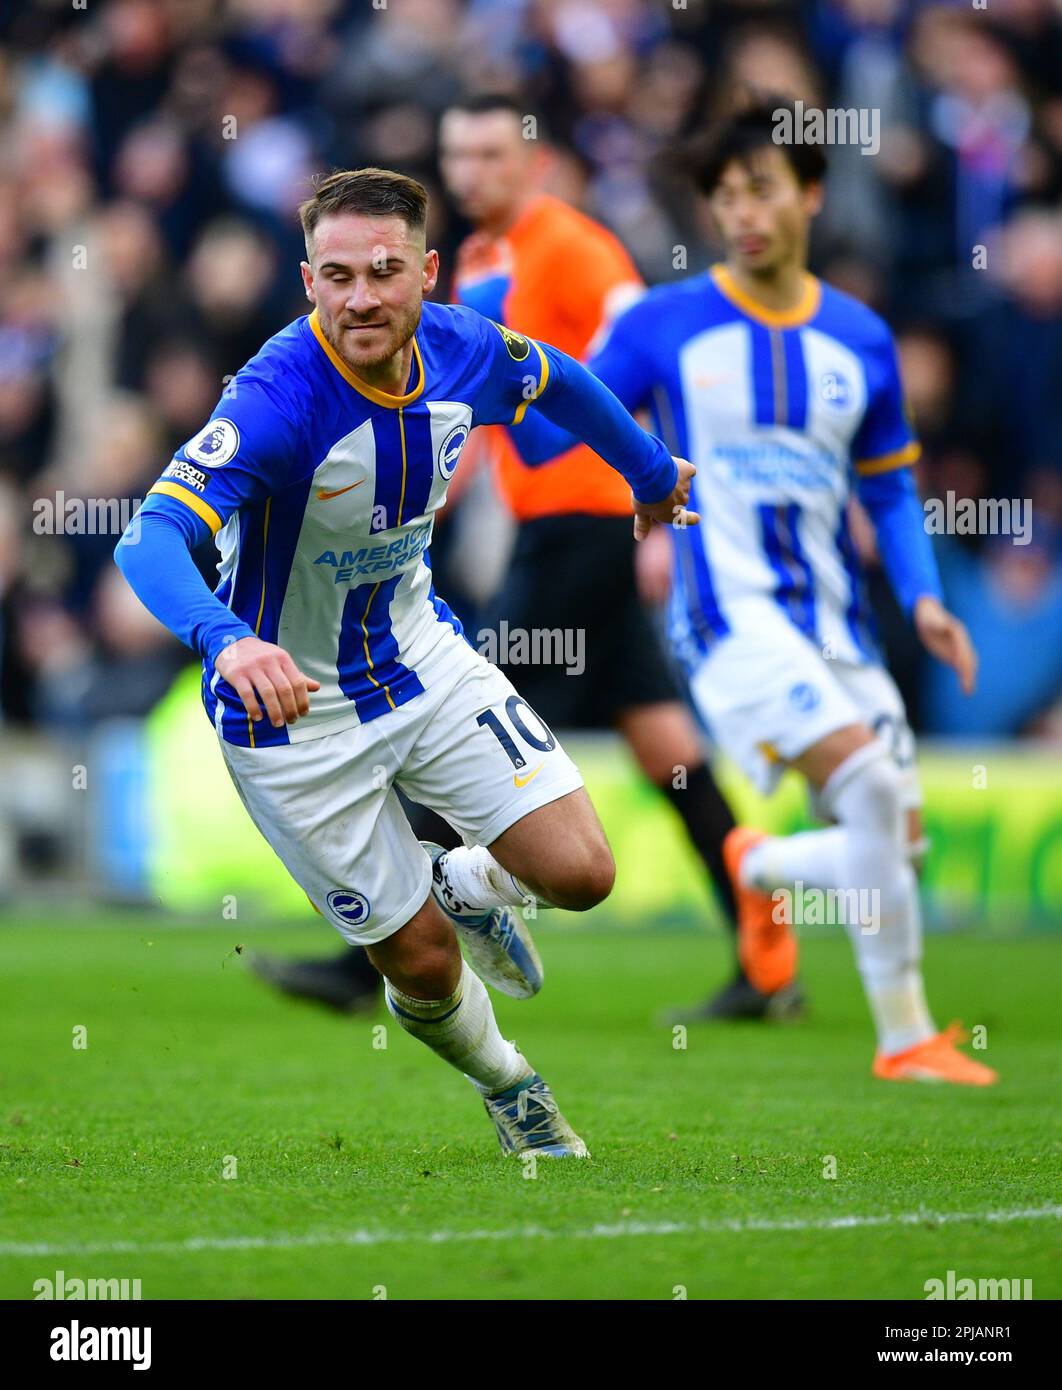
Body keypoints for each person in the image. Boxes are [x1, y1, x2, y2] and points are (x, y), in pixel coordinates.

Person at [114, 166, 698, 1158]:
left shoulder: (460, 346)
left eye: (385, 271)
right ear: (308, 281)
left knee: (582, 872)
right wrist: (228, 637)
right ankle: (510, 1084)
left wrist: (647, 472)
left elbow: (554, 377)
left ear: (427, 272)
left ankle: (468, 881)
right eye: (337, 275)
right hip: (291, 717)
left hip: (418, 658)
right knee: (423, 966)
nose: (361, 297)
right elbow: (147, 540)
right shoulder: (276, 399)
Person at [507, 99, 997, 1084]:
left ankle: (760, 865)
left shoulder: (859, 338)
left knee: (895, 841)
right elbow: (547, 435)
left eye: (762, 190)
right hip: (726, 622)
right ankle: (905, 1040)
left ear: (812, 194)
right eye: (724, 197)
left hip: (837, 626)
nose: (743, 214)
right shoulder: (663, 325)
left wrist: (924, 595)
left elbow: (892, 487)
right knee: (869, 784)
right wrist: (510, 357)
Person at [441, 93, 791, 1021]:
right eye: (458, 157)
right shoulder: (477, 261)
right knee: (671, 754)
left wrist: (667, 511)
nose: (471, 173)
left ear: (534, 163)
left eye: (489, 154)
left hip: (592, 531)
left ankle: (384, 951)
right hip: (548, 530)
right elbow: (477, 410)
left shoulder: (575, 249)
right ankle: (770, 966)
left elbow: (646, 365)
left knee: (455, 721)